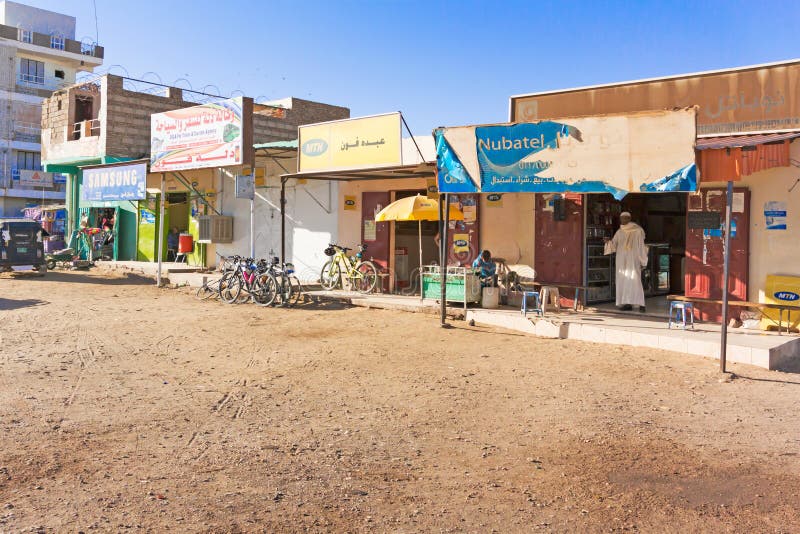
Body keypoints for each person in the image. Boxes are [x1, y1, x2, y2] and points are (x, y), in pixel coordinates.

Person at [604, 212, 648, 312]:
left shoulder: (638, 230)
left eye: (625, 218)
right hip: (621, 260)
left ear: (629, 218)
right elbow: (614, 245)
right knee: (623, 281)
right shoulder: (619, 231)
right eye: (621, 219)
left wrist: (643, 261)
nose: (623, 220)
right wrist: (608, 242)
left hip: (633, 260)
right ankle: (626, 303)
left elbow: (641, 246)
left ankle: (641, 304)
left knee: (635, 280)